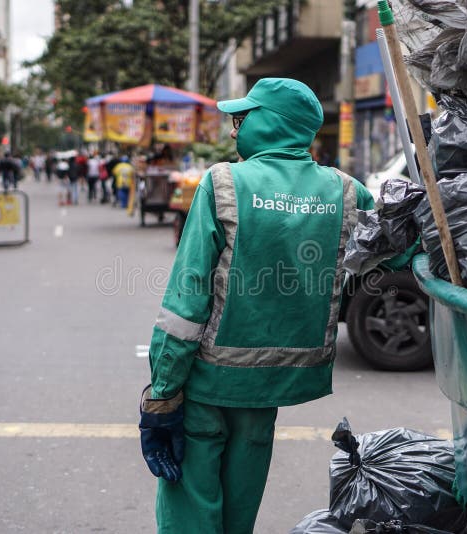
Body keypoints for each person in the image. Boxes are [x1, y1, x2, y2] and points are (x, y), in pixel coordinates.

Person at [138, 78, 375, 533]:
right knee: (239, 514)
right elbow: (401, 250)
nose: (233, 131)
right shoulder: (348, 193)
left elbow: (186, 301)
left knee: (190, 510)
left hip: (207, 385)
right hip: (270, 390)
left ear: (272, 123)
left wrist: (163, 392)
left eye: (241, 119)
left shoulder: (223, 182)